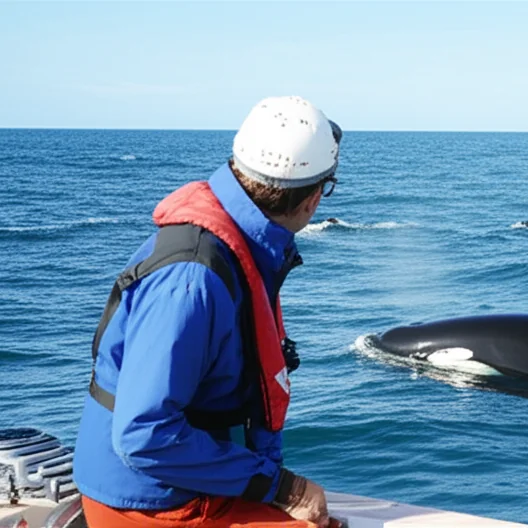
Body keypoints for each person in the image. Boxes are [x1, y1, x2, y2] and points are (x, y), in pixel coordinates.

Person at [73, 96, 343, 528]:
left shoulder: (238, 248)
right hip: (146, 501)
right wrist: (281, 488)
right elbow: (144, 435)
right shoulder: (191, 280)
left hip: (180, 483)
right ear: (312, 199)